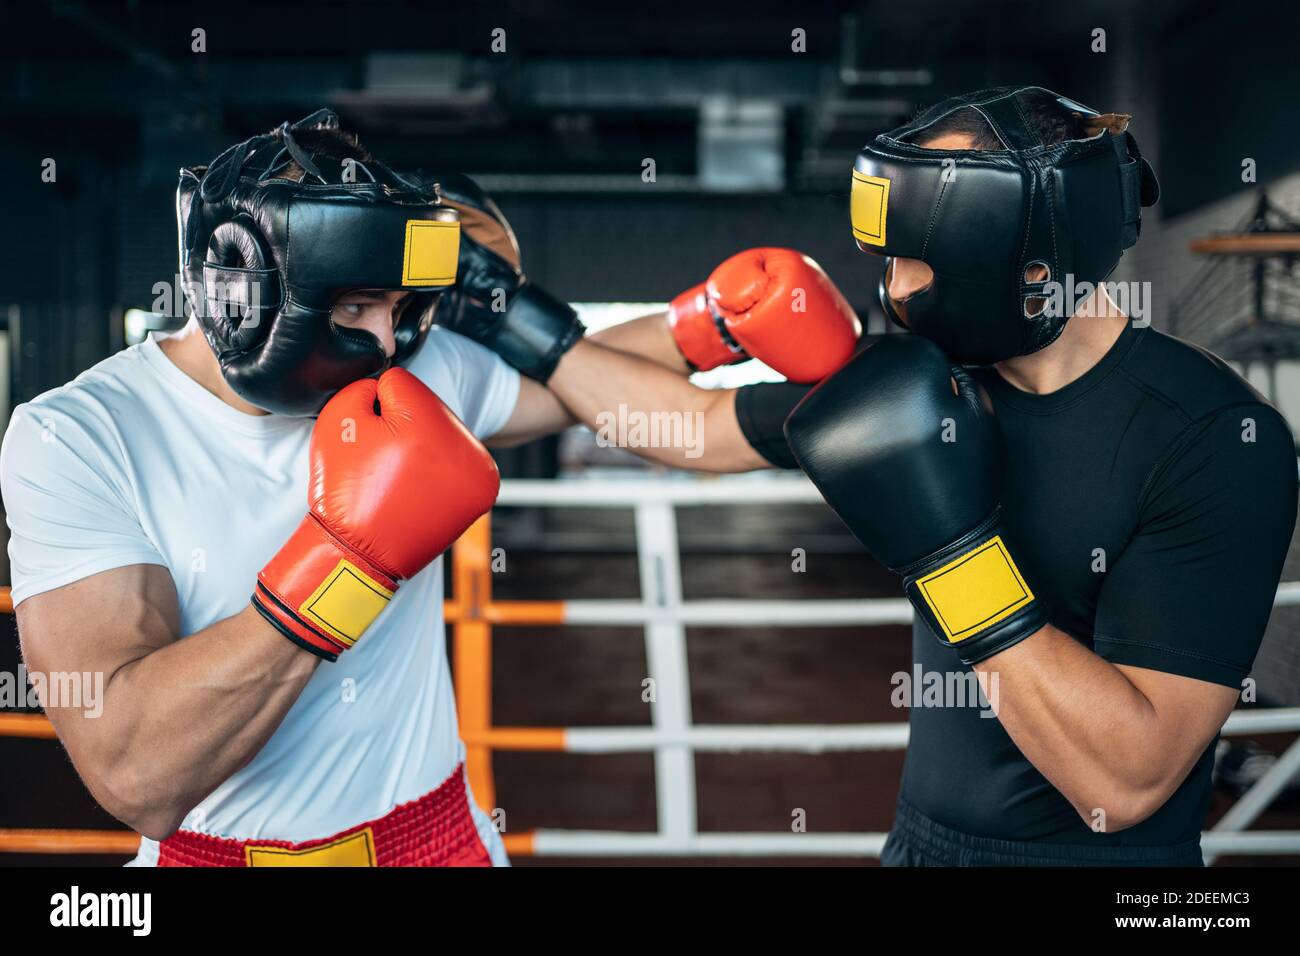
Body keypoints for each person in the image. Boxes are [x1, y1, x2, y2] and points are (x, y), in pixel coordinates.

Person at [0, 109, 859, 865]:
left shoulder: (406, 366)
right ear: (245, 297)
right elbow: (137, 776)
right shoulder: (80, 436)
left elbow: (587, 389)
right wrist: (345, 562)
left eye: (403, 308)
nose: (386, 340)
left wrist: (709, 327)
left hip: (436, 839)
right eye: (358, 308)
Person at [785, 86, 1297, 865]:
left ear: (1020, 262)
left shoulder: (1216, 438)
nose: (894, 291)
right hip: (919, 845)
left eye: (919, 261)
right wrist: (563, 330)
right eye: (888, 260)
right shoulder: (932, 385)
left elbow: (1124, 785)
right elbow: (694, 433)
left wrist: (952, 561)